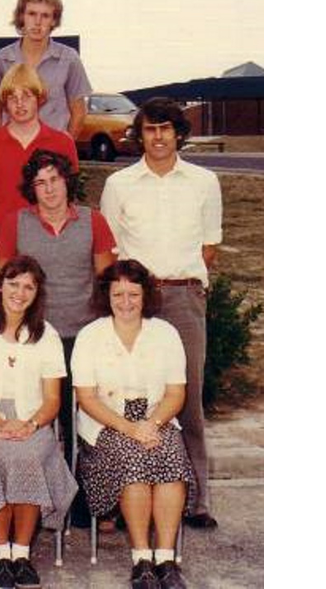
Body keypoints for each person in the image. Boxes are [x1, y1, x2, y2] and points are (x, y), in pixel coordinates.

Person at [99, 97, 223, 530]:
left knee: (185, 399)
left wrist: (181, 283)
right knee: (126, 393)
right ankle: (123, 493)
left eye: (166, 128)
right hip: (137, 301)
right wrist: (133, 296)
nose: (157, 136)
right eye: (150, 129)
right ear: (140, 134)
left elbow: (210, 246)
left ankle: (196, 499)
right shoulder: (119, 184)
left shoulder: (204, 182)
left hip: (185, 296)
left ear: (178, 134)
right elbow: (111, 250)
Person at [72, 260, 196, 589]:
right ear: (106, 296)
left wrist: (151, 424)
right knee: (132, 456)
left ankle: (166, 559)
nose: (126, 302)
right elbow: (87, 398)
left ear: (146, 296)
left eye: (133, 294)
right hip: (106, 424)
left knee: (170, 453)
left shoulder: (165, 334)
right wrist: (130, 429)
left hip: (157, 420)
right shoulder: (90, 336)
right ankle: (141, 558)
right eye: (118, 294)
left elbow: (175, 393)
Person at [0, 256, 77, 589]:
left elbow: (52, 399)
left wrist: (30, 425)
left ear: (37, 294)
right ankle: (0, 554)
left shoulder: (46, 335)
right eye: (13, 284)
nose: (19, 293)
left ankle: (21, 553)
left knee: (28, 455)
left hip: (33, 422)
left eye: (28, 287)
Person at [0, 148, 115, 470]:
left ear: (67, 182)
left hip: (83, 337)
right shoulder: (15, 223)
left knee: (82, 422)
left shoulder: (94, 221)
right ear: (31, 189)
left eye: (54, 180)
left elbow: (106, 285)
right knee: (39, 418)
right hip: (34, 337)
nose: (49, 189)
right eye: (40, 183)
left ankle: (83, 504)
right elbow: (4, 284)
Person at [0, 63, 79, 246]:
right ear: (4, 103)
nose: (19, 104)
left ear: (39, 98)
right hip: (2, 241)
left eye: (26, 96)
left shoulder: (63, 143)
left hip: (50, 240)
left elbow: (68, 198)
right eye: (12, 97)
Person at [0, 0, 91, 138]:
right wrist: (6, 144)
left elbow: (79, 112)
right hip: (14, 149)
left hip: (54, 154)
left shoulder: (69, 59)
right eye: (32, 14)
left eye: (45, 16)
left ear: (54, 21)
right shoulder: (0, 60)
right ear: (21, 16)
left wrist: (63, 149)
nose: (38, 22)